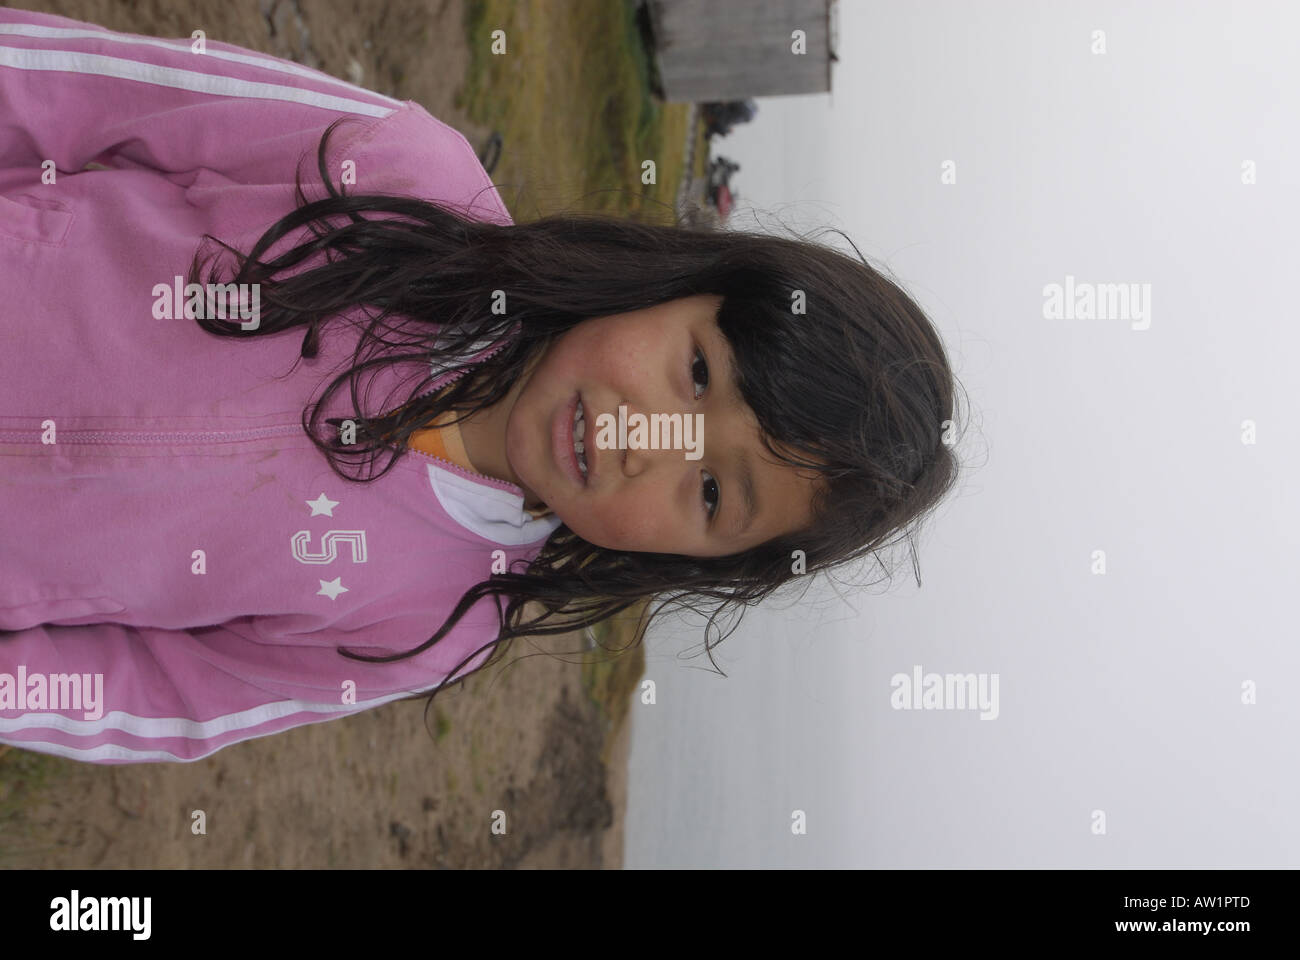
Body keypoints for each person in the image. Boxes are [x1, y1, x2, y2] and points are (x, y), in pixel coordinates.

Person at [0, 9, 963, 763]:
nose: (649, 443)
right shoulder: (403, 173)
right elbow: (82, 93)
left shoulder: (425, 630)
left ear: (700, 564)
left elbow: (161, 697)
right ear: (681, 285)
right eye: (700, 374)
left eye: (711, 491)